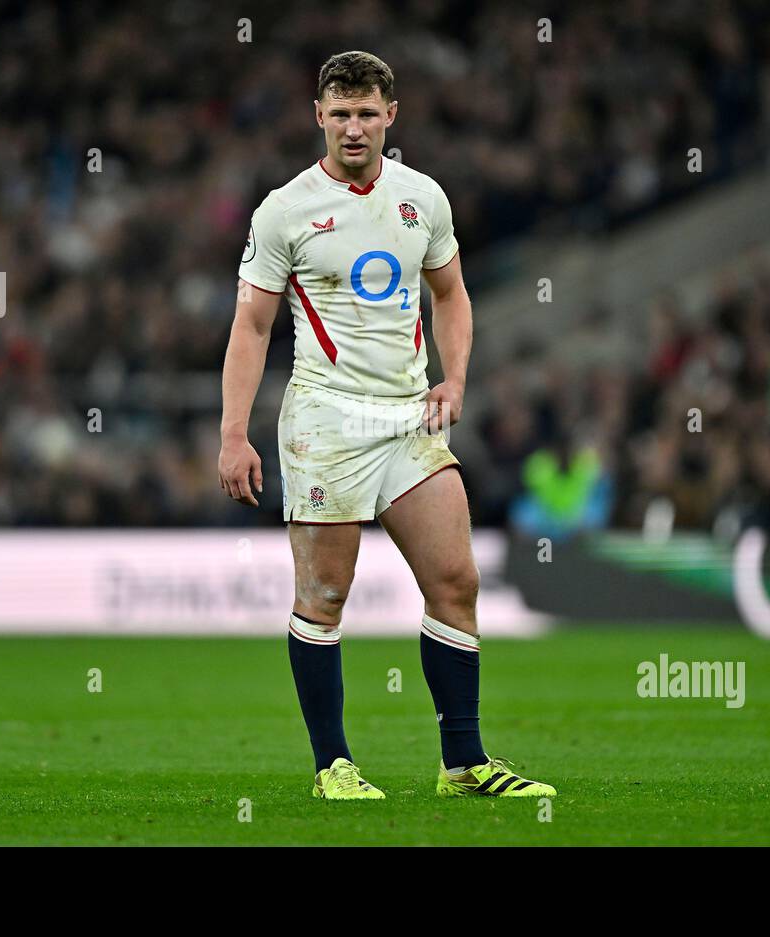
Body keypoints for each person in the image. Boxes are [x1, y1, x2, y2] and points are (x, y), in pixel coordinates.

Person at [218, 51, 555, 800]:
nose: (354, 128)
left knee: (456, 579)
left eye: (367, 113)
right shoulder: (284, 210)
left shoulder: (423, 199)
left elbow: (453, 294)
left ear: (390, 115)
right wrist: (232, 432)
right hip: (325, 423)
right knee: (326, 598)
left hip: (407, 418)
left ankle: (463, 762)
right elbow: (250, 327)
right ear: (319, 117)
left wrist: (455, 377)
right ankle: (331, 765)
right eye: (339, 114)